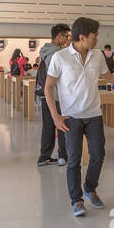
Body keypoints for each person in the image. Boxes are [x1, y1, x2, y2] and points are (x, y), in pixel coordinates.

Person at [45, 18, 114, 217]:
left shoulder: (97, 56)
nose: (97, 38)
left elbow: (110, 77)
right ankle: (76, 200)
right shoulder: (60, 57)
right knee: (74, 160)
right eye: (94, 35)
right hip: (71, 117)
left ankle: (90, 188)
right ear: (82, 37)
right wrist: (56, 117)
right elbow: (48, 87)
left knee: (98, 156)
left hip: (94, 115)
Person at [36, 27, 71, 165]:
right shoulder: (59, 54)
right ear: (58, 36)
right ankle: (62, 156)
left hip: (46, 96)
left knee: (48, 127)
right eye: (65, 36)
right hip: (58, 96)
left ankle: (44, 156)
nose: (67, 38)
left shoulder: (44, 51)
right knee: (62, 125)